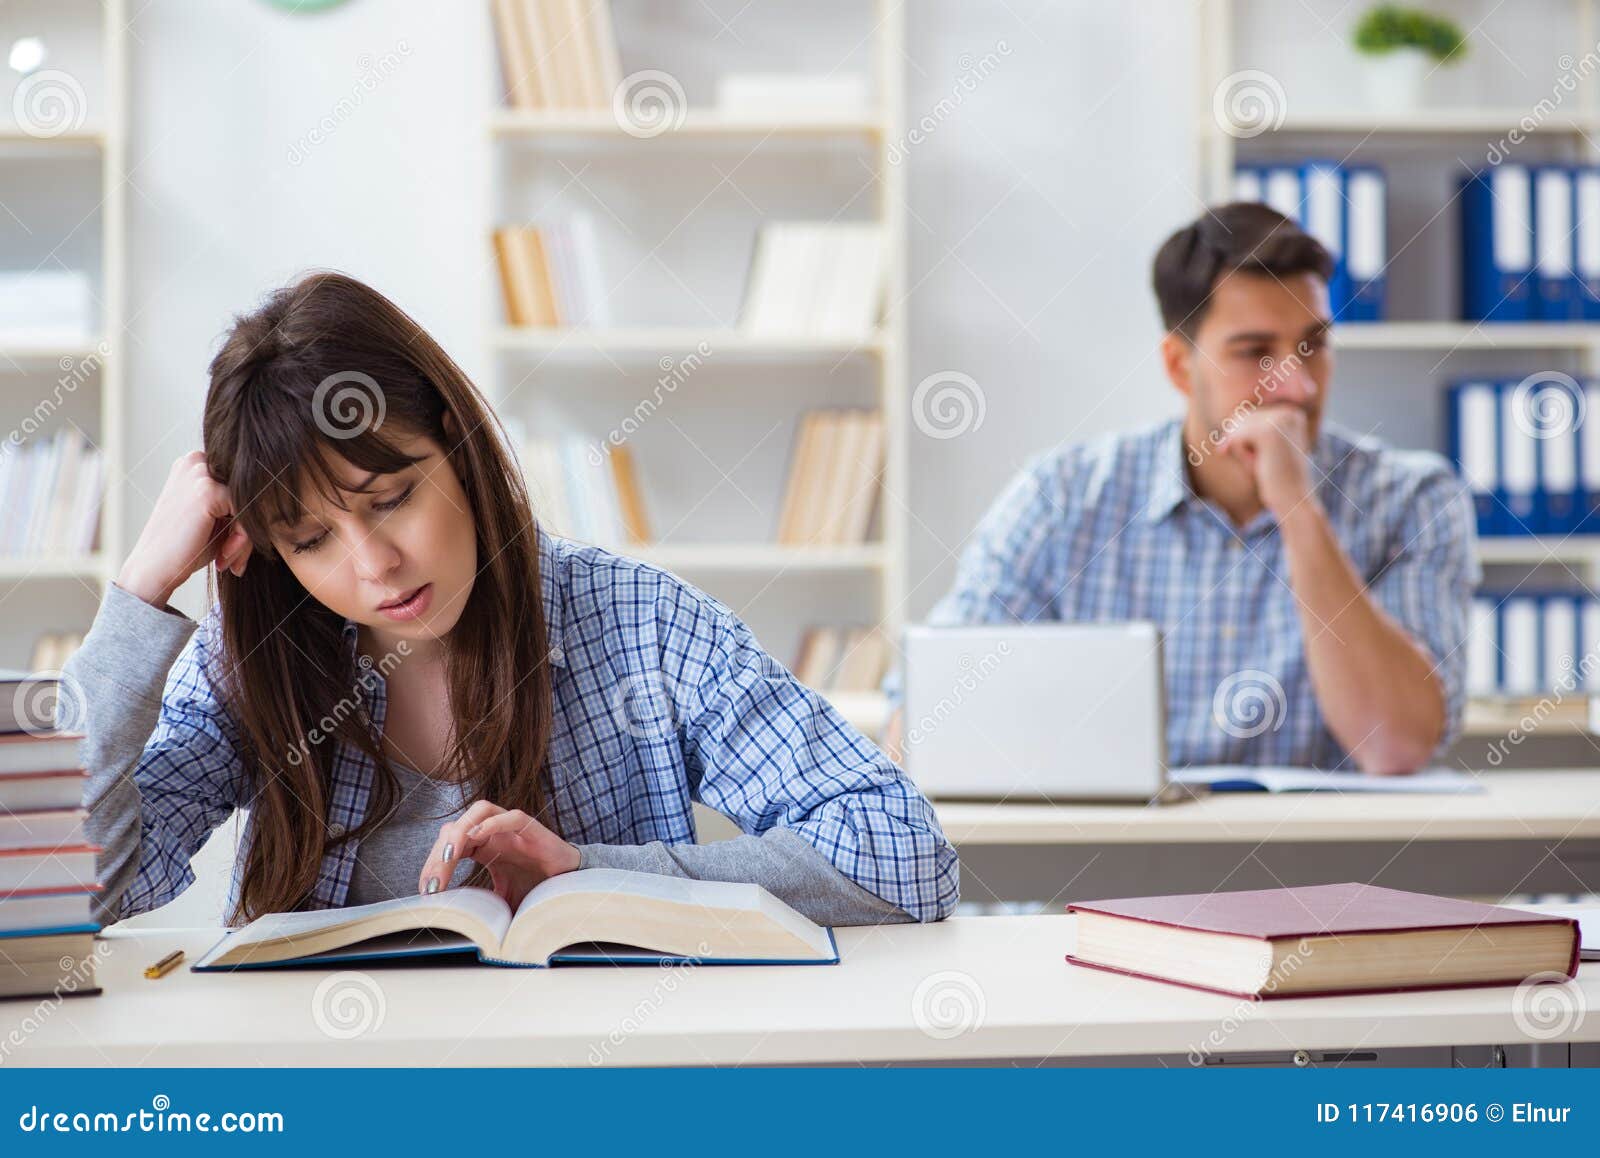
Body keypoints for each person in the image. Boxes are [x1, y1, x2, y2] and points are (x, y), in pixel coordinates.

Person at [67, 271, 958, 929]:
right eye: (310, 541)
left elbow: (905, 853)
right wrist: (140, 593)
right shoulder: (253, 659)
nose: (373, 565)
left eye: (393, 500)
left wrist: (592, 876)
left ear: (456, 444)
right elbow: (74, 888)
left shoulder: (636, 621)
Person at [887, 202, 1478, 774]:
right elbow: (924, 724)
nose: (1297, 386)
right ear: (1178, 366)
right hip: (1116, 868)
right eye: (1255, 353)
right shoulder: (1061, 498)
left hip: (1328, 869)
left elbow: (1395, 747)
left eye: (1313, 346)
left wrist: (1298, 508)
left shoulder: (1414, 498)